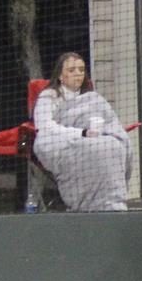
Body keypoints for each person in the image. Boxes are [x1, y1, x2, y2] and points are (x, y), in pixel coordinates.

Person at [32, 52, 131, 212]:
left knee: (113, 145)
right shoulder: (48, 96)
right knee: (91, 149)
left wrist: (101, 131)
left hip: (92, 138)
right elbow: (45, 128)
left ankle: (111, 203)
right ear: (60, 75)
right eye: (71, 70)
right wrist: (81, 133)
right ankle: (86, 204)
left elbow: (108, 120)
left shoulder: (91, 98)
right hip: (57, 140)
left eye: (81, 69)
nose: (78, 73)